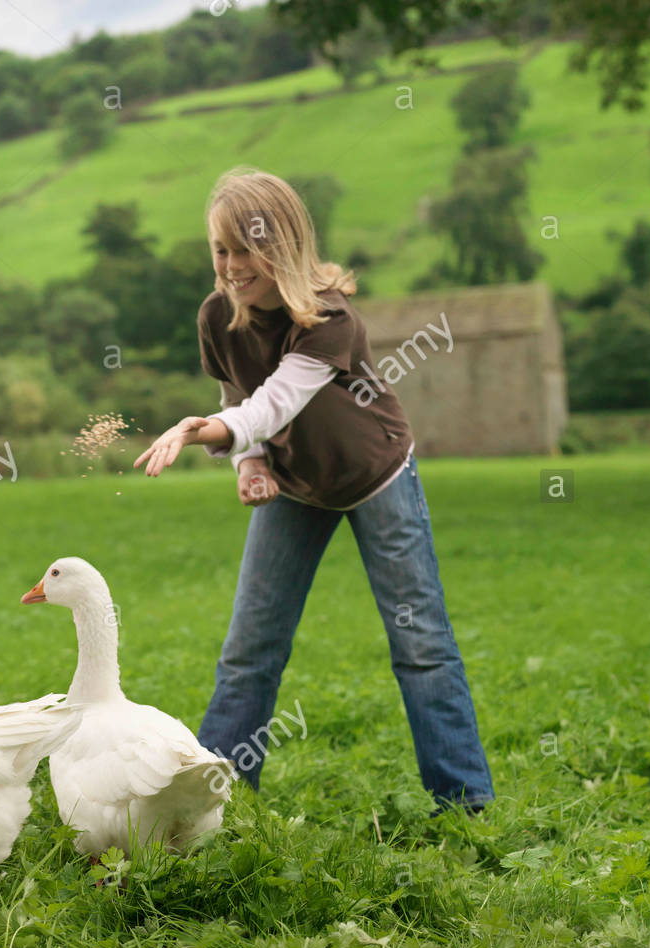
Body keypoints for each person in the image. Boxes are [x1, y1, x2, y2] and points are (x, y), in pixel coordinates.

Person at [133, 167, 493, 812]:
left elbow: (274, 402)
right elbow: (240, 400)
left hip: (374, 474)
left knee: (420, 643)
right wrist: (249, 463)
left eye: (246, 249)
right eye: (220, 249)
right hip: (297, 483)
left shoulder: (329, 318)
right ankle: (217, 804)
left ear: (283, 247)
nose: (232, 266)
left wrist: (203, 431)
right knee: (251, 647)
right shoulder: (217, 316)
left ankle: (464, 805)